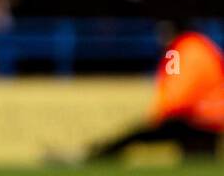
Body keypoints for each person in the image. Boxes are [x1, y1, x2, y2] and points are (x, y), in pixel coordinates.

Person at [89, 28, 224, 160]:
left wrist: (162, 113)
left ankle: (102, 153)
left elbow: (179, 89)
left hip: (197, 118)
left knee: (139, 136)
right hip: (211, 116)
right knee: (200, 160)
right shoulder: (199, 45)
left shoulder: (182, 50)